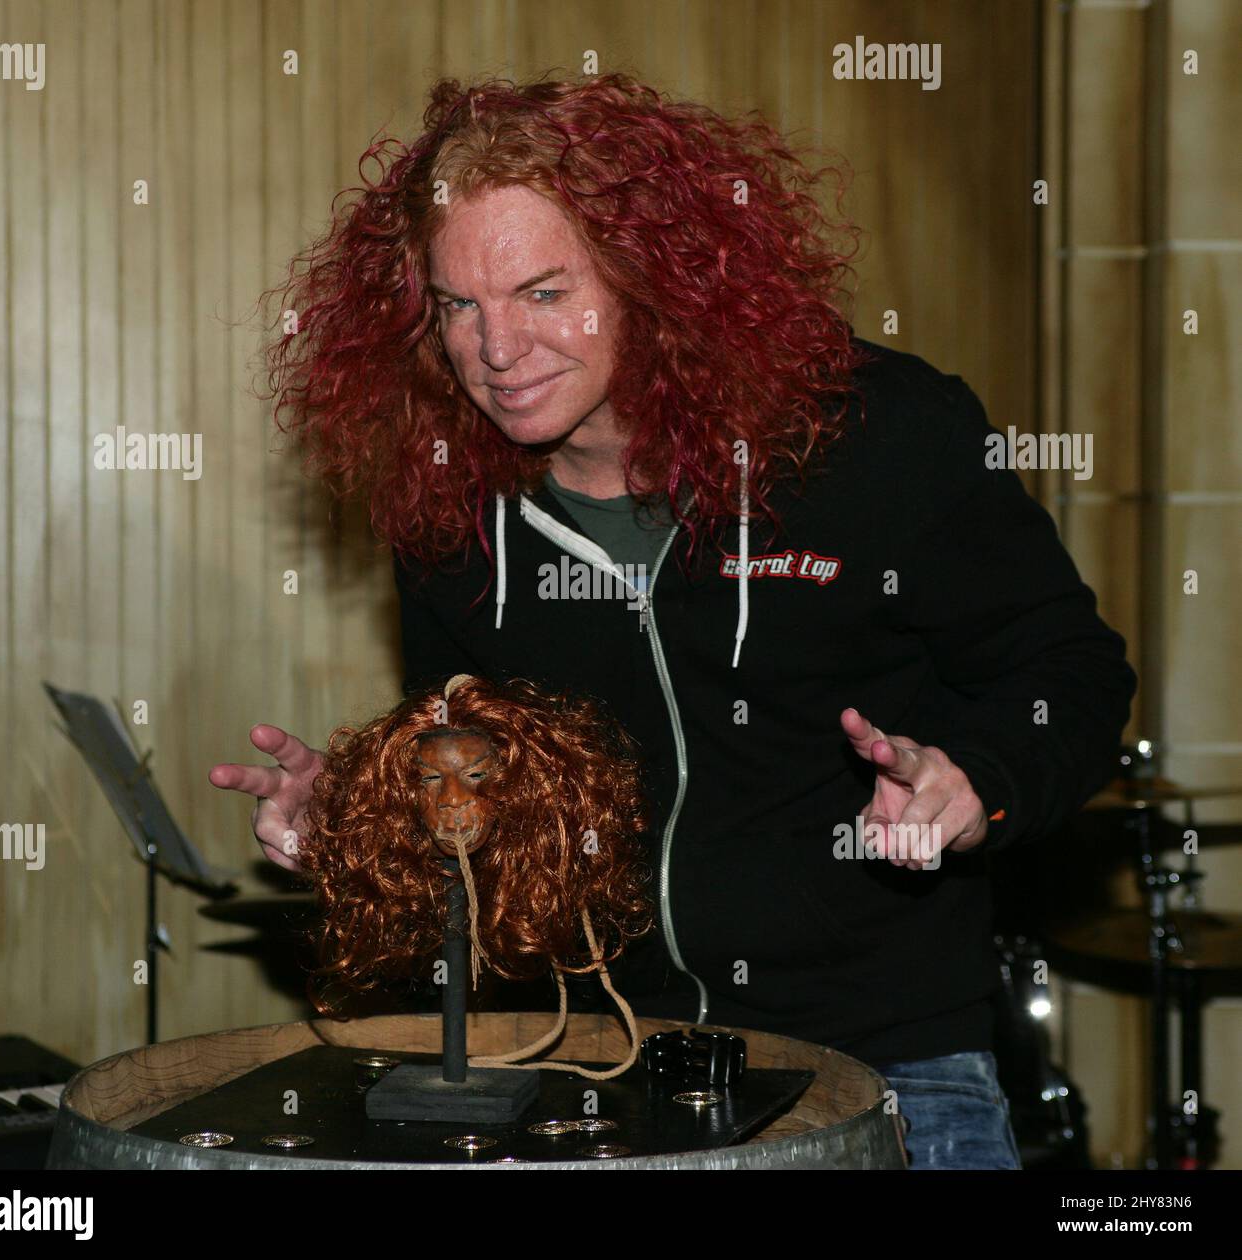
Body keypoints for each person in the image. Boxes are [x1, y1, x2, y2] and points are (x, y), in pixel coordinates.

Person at [210, 73, 1136, 1169]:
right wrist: (375, 821)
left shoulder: (881, 436)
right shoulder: (449, 509)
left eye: (544, 294)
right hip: (592, 1071)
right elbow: (493, 807)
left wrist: (975, 779)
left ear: (657, 278)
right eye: (458, 306)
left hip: (890, 1069)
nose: (494, 351)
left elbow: (1073, 675)